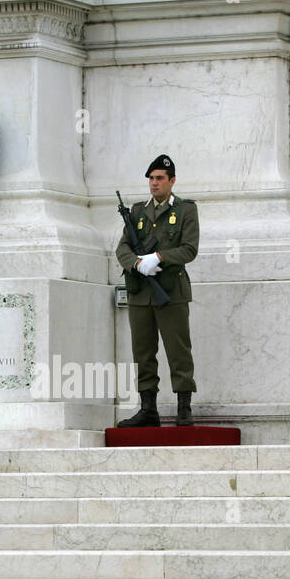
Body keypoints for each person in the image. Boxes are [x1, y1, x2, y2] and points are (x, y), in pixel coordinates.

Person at [114, 154, 199, 427]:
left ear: (172, 181)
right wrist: (138, 264)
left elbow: (189, 249)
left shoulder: (186, 210)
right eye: (151, 178)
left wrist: (159, 257)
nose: (154, 183)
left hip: (171, 291)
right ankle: (148, 409)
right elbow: (122, 248)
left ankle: (183, 408)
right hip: (141, 292)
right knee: (143, 352)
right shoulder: (138, 211)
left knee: (178, 351)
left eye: (160, 178)